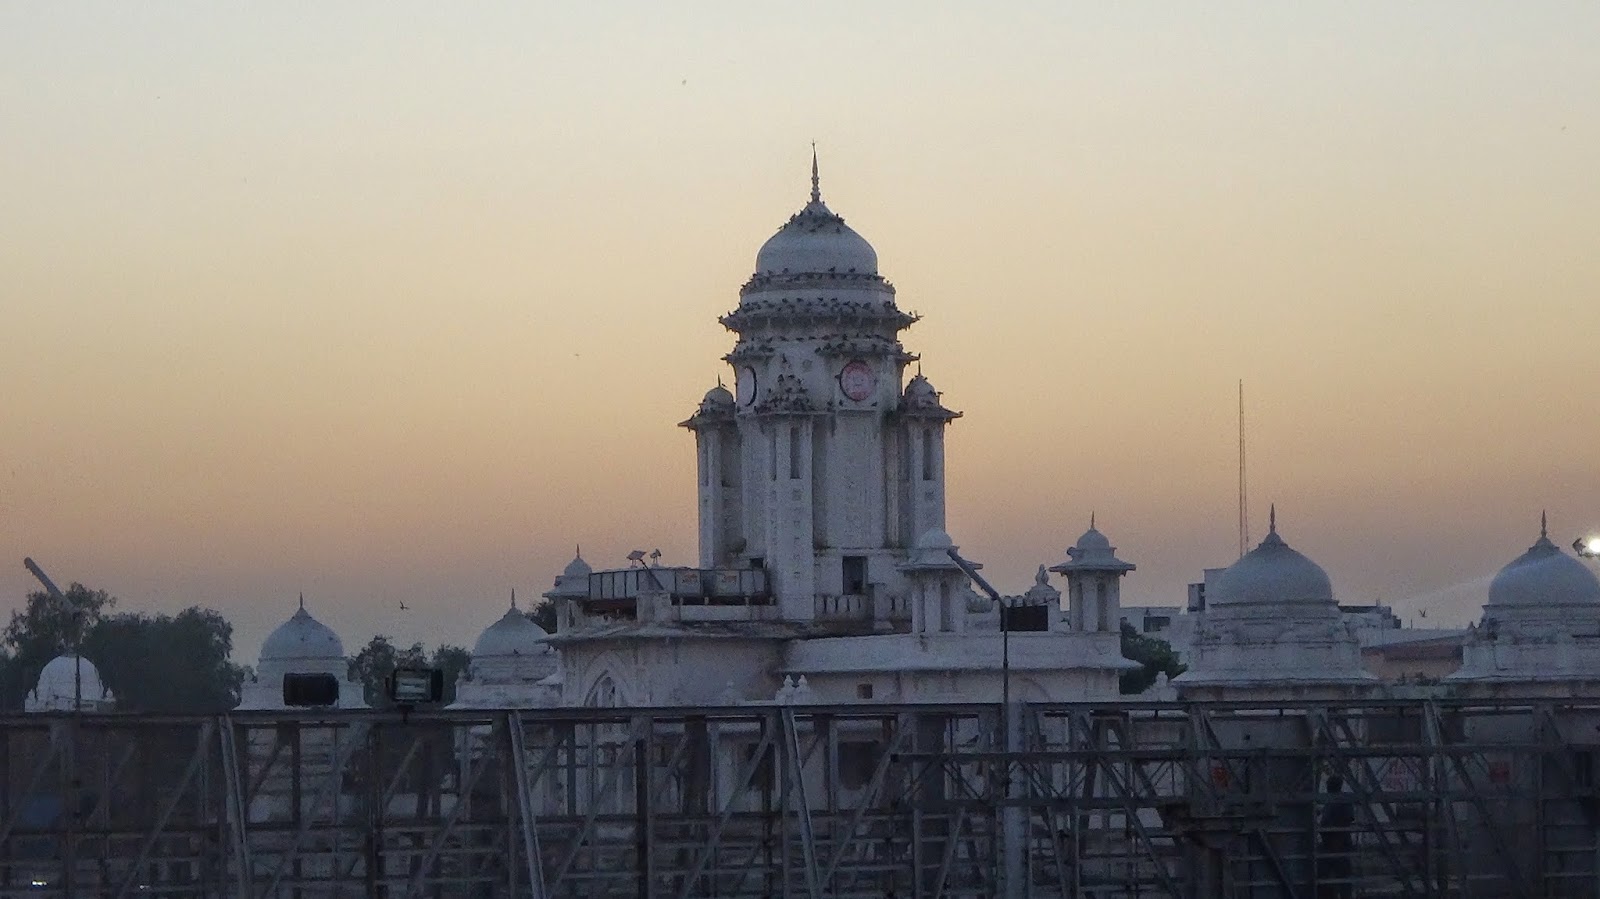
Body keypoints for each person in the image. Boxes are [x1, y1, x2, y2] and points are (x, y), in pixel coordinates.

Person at [1317, 774, 1354, 898]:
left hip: (1336, 843)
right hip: (1334, 842)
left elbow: (1344, 819)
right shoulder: (1337, 800)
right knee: (1333, 875)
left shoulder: (1338, 800)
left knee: (1336, 874)